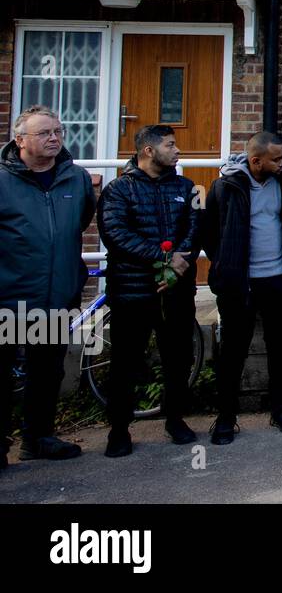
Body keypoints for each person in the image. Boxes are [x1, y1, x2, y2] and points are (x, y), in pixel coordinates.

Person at [0, 106, 96, 470]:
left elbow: (81, 221)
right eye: (44, 133)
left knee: (46, 371)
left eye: (58, 131)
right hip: (9, 297)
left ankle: (37, 438)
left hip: (56, 295)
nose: (54, 138)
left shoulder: (76, 179)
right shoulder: (2, 179)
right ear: (20, 140)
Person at [97, 124, 201, 457]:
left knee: (178, 357)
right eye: (170, 145)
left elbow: (195, 227)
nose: (177, 150)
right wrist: (163, 258)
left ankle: (175, 419)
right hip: (133, 291)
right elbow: (116, 234)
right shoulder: (119, 190)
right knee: (126, 361)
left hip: (175, 291)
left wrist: (178, 261)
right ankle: (119, 430)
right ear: (148, 151)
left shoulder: (187, 187)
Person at [201, 132, 282, 444]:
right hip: (240, 284)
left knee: (280, 347)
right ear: (255, 160)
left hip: (278, 279)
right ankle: (226, 418)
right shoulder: (226, 187)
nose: (281, 164)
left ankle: (281, 410)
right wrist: (226, 266)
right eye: (275, 159)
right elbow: (209, 233)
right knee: (233, 352)